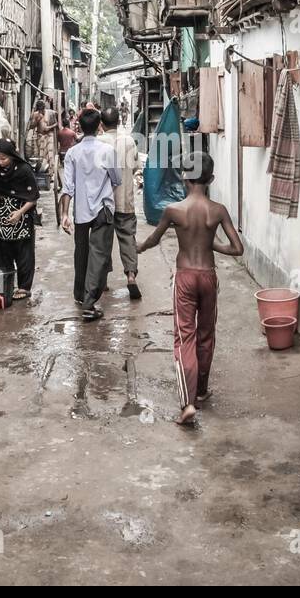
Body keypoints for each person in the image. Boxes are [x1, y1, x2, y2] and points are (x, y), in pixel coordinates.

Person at [137, 152, 243, 425]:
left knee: (185, 336)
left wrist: (138, 248)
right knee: (206, 334)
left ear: (184, 178)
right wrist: (211, 244)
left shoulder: (174, 210)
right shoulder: (218, 210)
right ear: (212, 179)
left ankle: (188, 402)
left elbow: (153, 239)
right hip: (208, 275)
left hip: (185, 277)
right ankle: (203, 390)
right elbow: (237, 248)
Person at [60, 109, 121, 321]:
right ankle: (89, 303)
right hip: (103, 209)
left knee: (81, 252)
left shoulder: (72, 153)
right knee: (99, 255)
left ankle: (80, 294)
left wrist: (64, 215)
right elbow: (116, 180)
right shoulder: (107, 150)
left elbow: (67, 187)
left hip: (81, 211)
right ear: (99, 126)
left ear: (79, 127)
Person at [97, 105, 143, 299]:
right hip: (125, 201)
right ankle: (131, 275)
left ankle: (103, 281)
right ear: (118, 121)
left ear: (101, 124)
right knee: (127, 239)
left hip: (103, 204)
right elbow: (136, 169)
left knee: (103, 242)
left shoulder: (97, 143)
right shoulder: (129, 141)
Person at [0, 138, 39, 300]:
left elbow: (33, 197)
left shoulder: (24, 170)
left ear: (12, 156)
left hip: (22, 215)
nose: (0, 162)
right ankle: (6, 285)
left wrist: (19, 212)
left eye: (4, 158)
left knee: (24, 253)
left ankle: (24, 287)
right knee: (2, 253)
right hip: (2, 214)